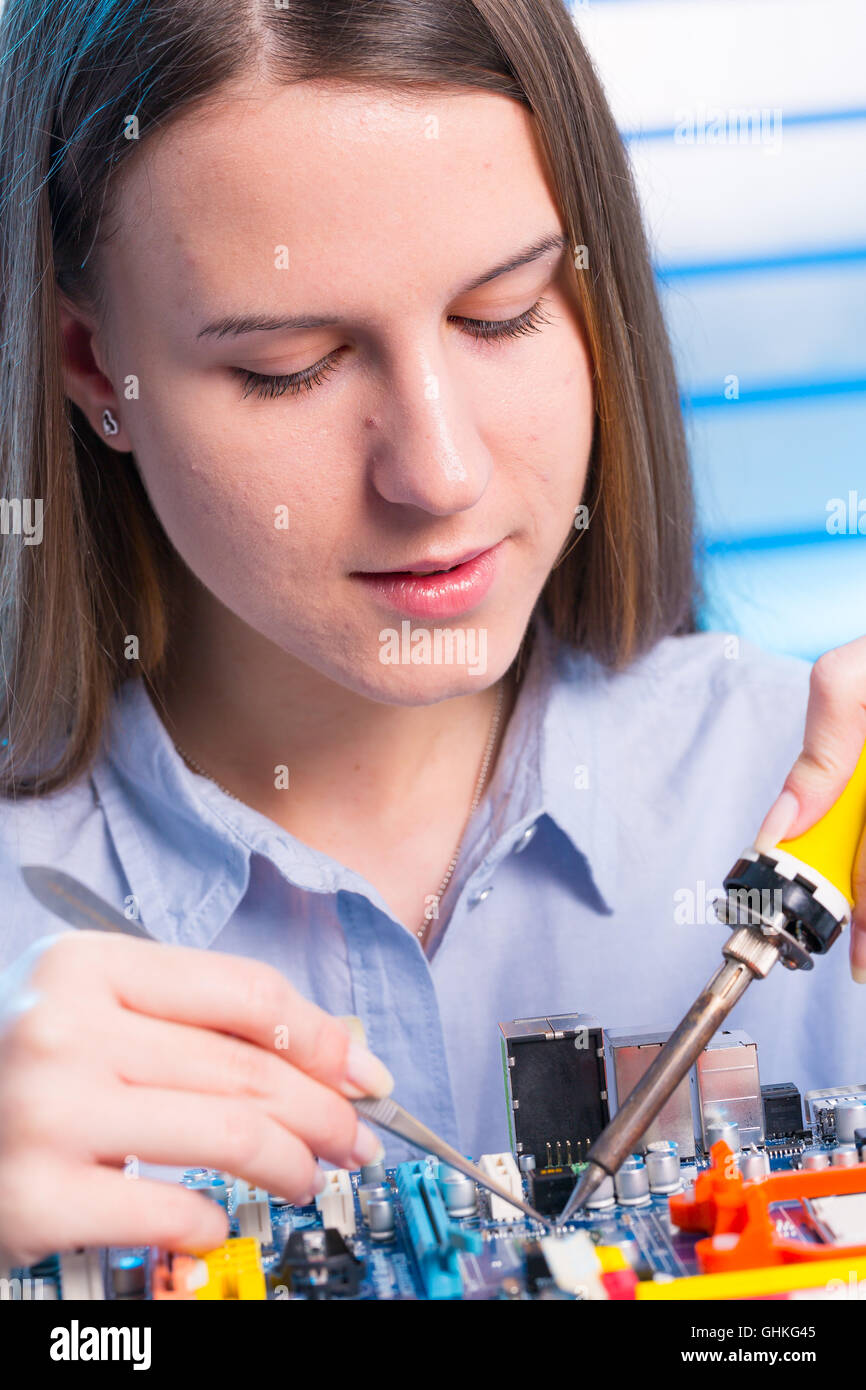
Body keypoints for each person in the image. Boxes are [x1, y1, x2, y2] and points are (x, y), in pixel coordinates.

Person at [0, 0, 863, 1269]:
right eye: (290, 364)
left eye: (504, 311)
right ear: (91, 363)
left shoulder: (817, 789)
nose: (439, 472)